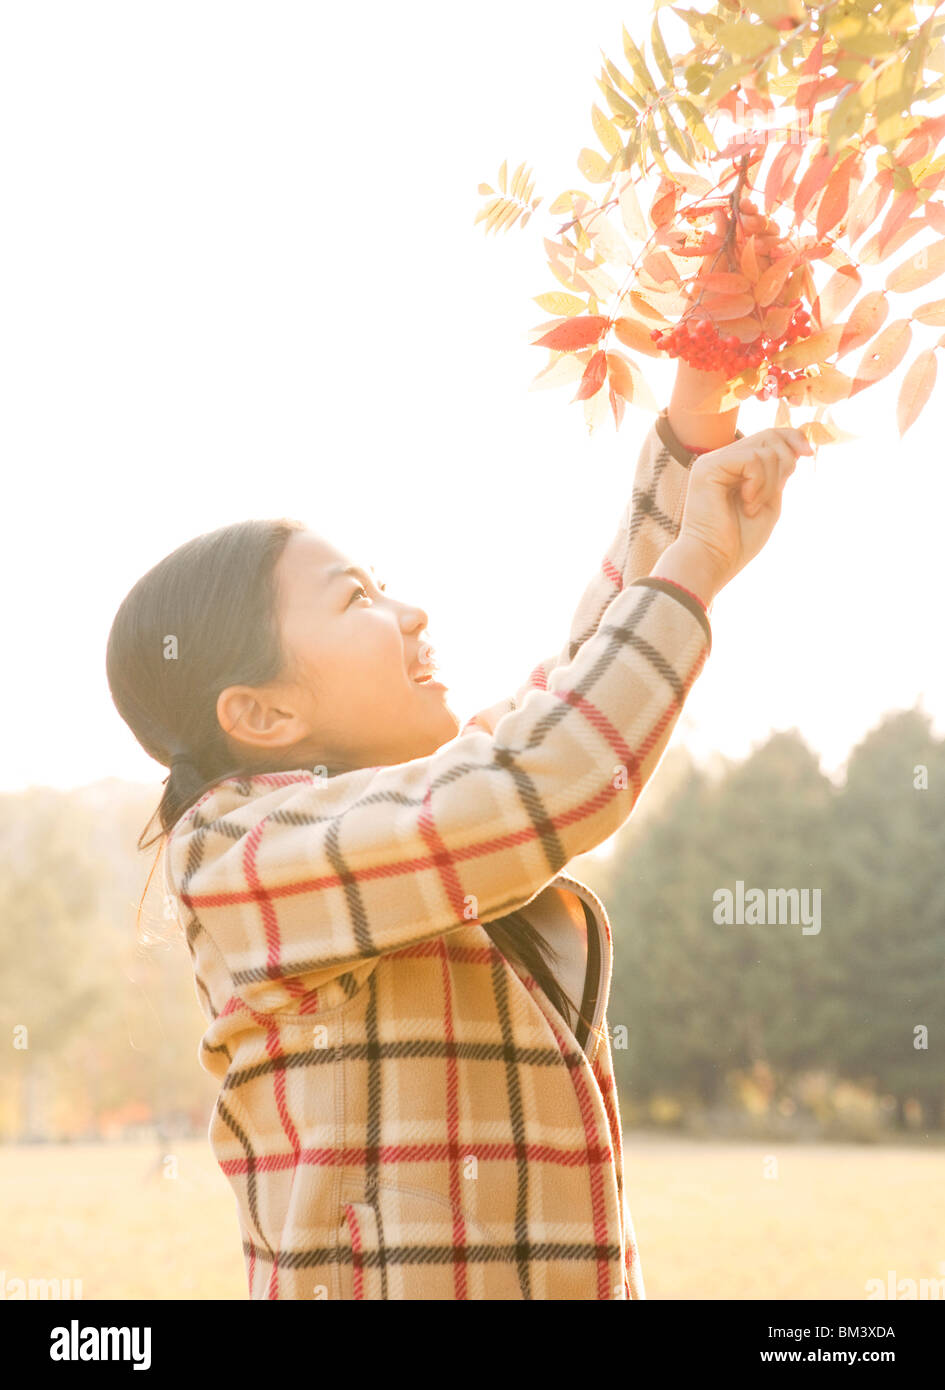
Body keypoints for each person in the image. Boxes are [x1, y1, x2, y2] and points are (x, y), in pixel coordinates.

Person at [105, 360, 812, 1299]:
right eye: (356, 599)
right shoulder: (241, 853)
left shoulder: (413, 806)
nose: (412, 614)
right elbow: (545, 778)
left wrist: (691, 430)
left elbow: (573, 688)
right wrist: (695, 565)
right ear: (263, 715)